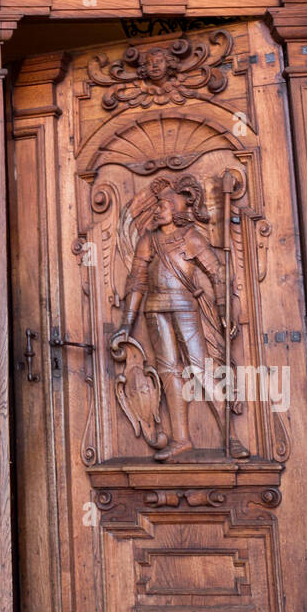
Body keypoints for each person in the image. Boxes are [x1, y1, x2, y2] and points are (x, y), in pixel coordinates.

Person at [110, 173, 248, 461]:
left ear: (176, 208)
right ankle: (181, 439)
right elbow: (137, 281)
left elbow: (218, 274)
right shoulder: (148, 240)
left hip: (185, 307)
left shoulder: (191, 237)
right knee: (170, 372)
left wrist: (223, 310)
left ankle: (229, 436)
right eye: (157, 205)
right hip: (154, 311)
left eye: (163, 205)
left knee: (201, 369)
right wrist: (126, 323)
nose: (158, 210)